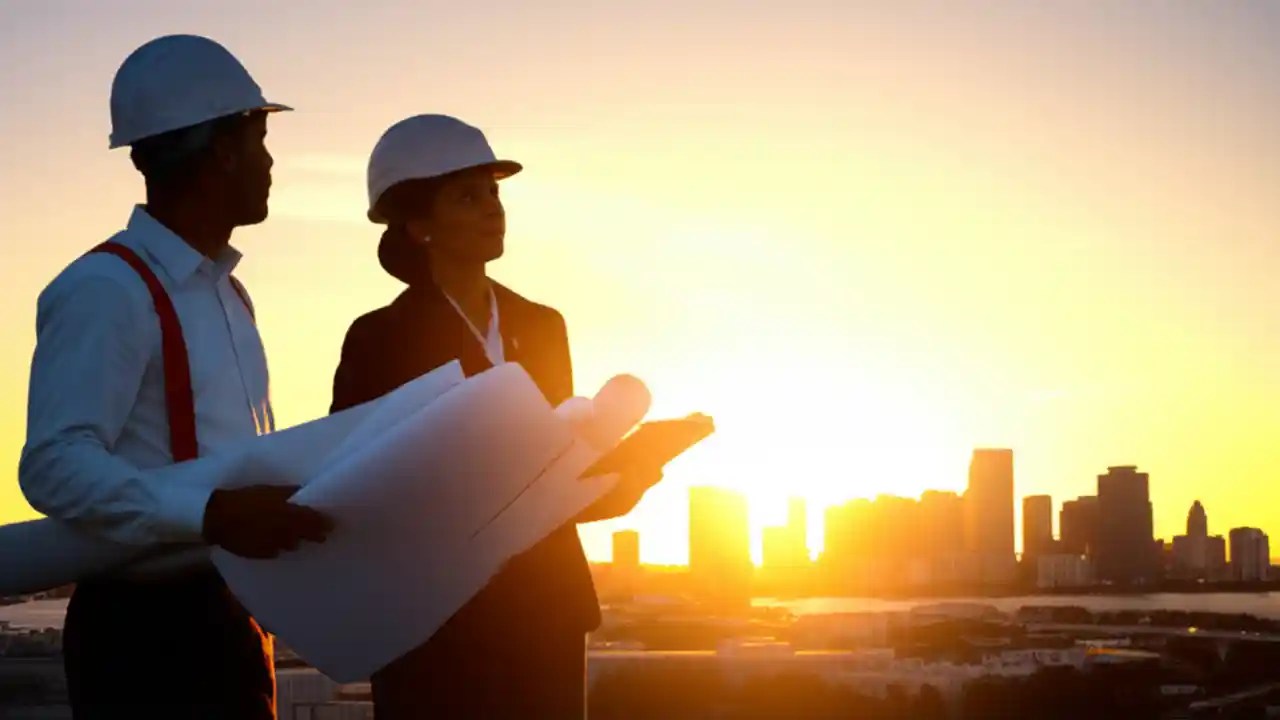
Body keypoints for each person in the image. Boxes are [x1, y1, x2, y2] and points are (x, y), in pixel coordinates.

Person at [18, 35, 332, 719]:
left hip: (231, 617)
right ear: (221, 150)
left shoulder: (226, 292)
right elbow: (53, 464)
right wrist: (209, 515)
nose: (271, 162)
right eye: (260, 139)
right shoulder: (107, 288)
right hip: (149, 641)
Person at [331, 114, 664, 718]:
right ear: (417, 224)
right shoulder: (378, 339)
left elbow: (554, 478)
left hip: (544, 615)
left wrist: (629, 472)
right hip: (434, 625)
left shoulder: (542, 325)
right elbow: (353, 488)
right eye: (467, 195)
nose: (493, 208)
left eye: (494, 191)